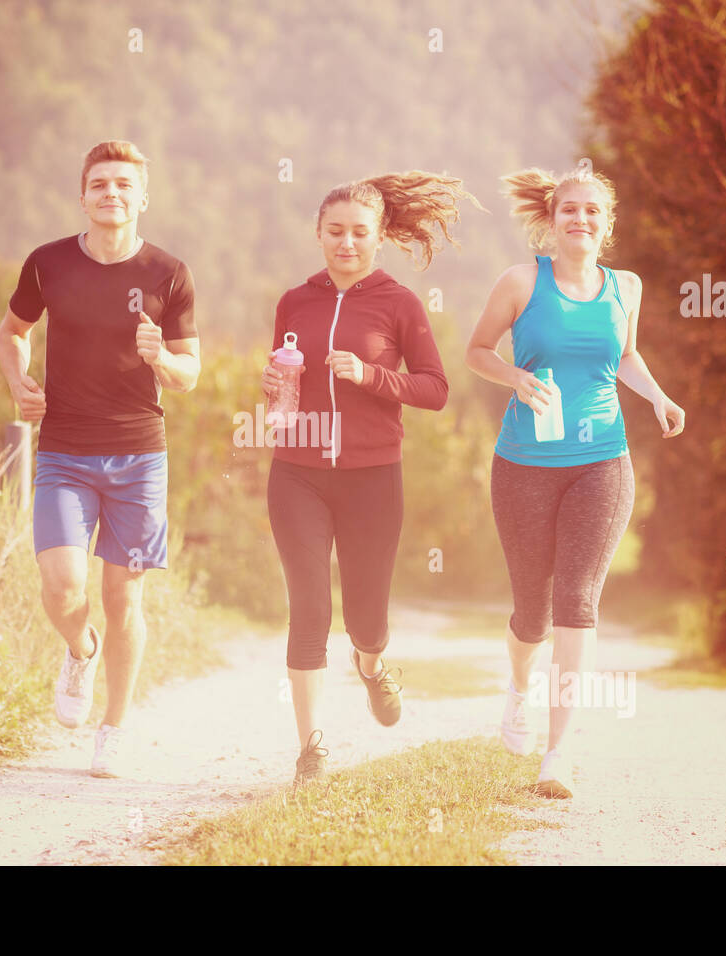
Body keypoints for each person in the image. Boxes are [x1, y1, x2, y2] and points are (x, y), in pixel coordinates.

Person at [465, 165, 684, 798]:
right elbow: (477, 351)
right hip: (525, 464)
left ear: (606, 223)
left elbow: (623, 356)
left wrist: (659, 399)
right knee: (531, 612)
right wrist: (515, 378)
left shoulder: (626, 288)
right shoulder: (520, 282)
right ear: (552, 221)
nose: (580, 220)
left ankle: (557, 754)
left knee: (579, 599)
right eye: (569, 211)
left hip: (602, 463)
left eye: (592, 211)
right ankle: (517, 688)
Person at [263, 172, 481, 786]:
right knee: (308, 607)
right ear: (318, 234)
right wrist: (276, 384)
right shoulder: (293, 301)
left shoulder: (399, 304)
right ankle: (312, 749)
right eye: (335, 232)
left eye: (360, 233)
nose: (346, 244)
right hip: (298, 472)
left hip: (372, 478)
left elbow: (435, 390)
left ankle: (372, 664)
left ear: (379, 237)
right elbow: (283, 377)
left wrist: (368, 375)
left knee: (365, 618)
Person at [0, 140, 199, 778]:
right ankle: (79, 652)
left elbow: (190, 373)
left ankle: (113, 728)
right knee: (62, 587)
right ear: (83, 196)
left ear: (143, 197)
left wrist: (159, 358)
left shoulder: (170, 273)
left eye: (123, 185)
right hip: (63, 450)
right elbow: (11, 333)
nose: (111, 193)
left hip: (139, 457)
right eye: (99, 184)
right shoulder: (47, 264)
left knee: (124, 599)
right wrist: (18, 383)